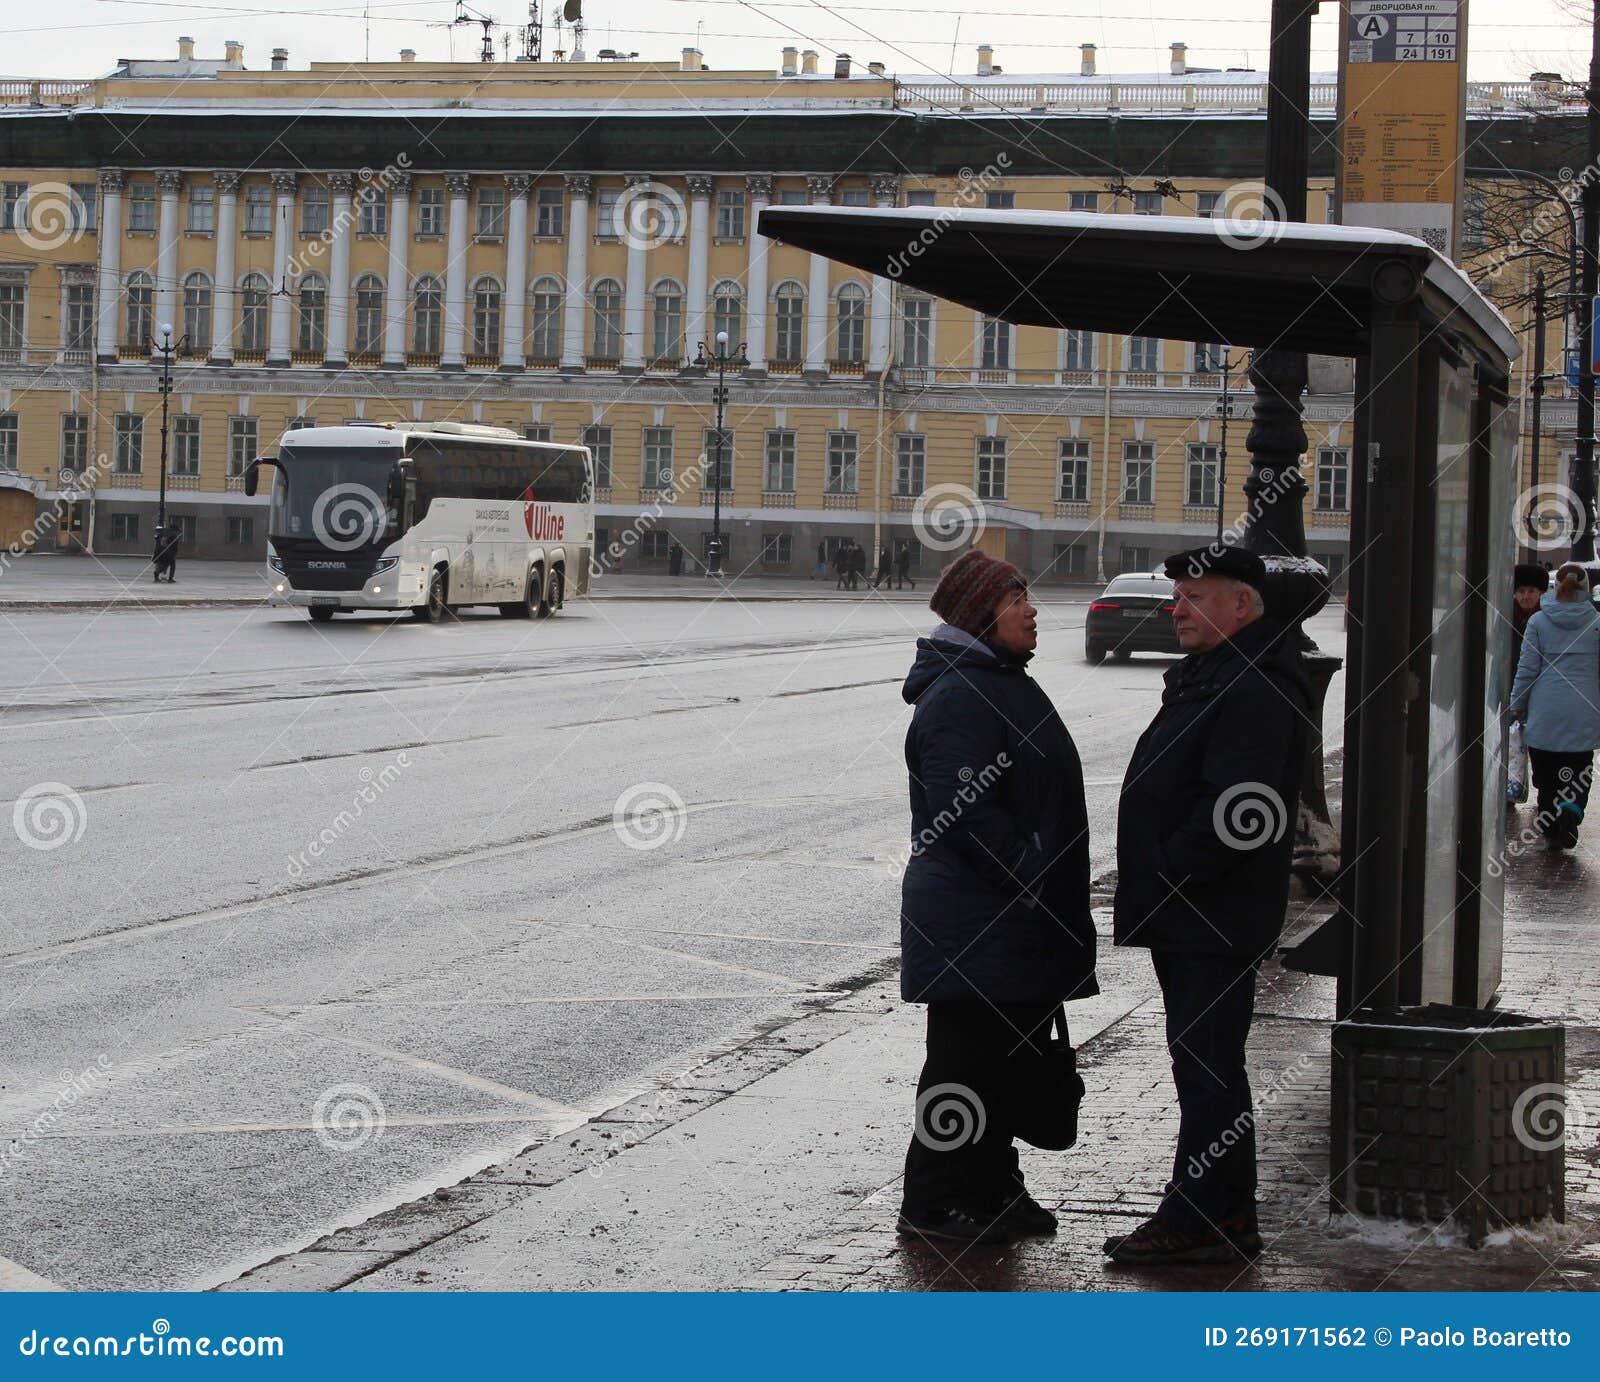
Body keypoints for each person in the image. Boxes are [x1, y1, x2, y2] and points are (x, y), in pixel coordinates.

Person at [1104, 546, 1309, 1265]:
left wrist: (1168, 870)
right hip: (1197, 909)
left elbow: (1240, 811)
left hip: (1210, 913)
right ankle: (1223, 1217)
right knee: (1205, 1066)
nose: (1177, 609)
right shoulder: (1216, 674)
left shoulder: (1250, 685)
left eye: (1194, 598)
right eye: (1177, 597)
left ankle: (1200, 1219)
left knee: (1209, 1069)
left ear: (1242, 606)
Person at [897, 548, 1098, 1246]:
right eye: (1021, 601)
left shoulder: (999, 678)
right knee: (962, 1068)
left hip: (1014, 921)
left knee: (1003, 1067)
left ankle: (990, 1187)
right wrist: (1035, 870)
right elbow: (966, 814)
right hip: (975, 923)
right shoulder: (959, 694)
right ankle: (934, 1201)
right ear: (985, 613)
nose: (1034, 611)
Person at [1510, 561, 1600, 850]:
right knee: (1579, 767)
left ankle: (1549, 819)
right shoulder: (1597, 624)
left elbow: (1526, 670)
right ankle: (1572, 808)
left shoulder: (1538, 622)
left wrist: (1517, 705)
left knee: (1546, 773)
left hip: (1544, 711)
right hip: (1583, 709)